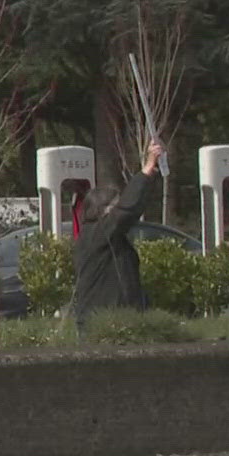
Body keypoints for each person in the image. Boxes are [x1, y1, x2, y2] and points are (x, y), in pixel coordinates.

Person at [71, 141, 164, 329]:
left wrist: (151, 176)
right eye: (114, 206)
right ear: (102, 210)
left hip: (118, 320)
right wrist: (146, 170)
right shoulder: (96, 234)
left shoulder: (107, 235)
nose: (117, 210)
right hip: (101, 324)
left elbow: (133, 209)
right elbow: (126, 211)